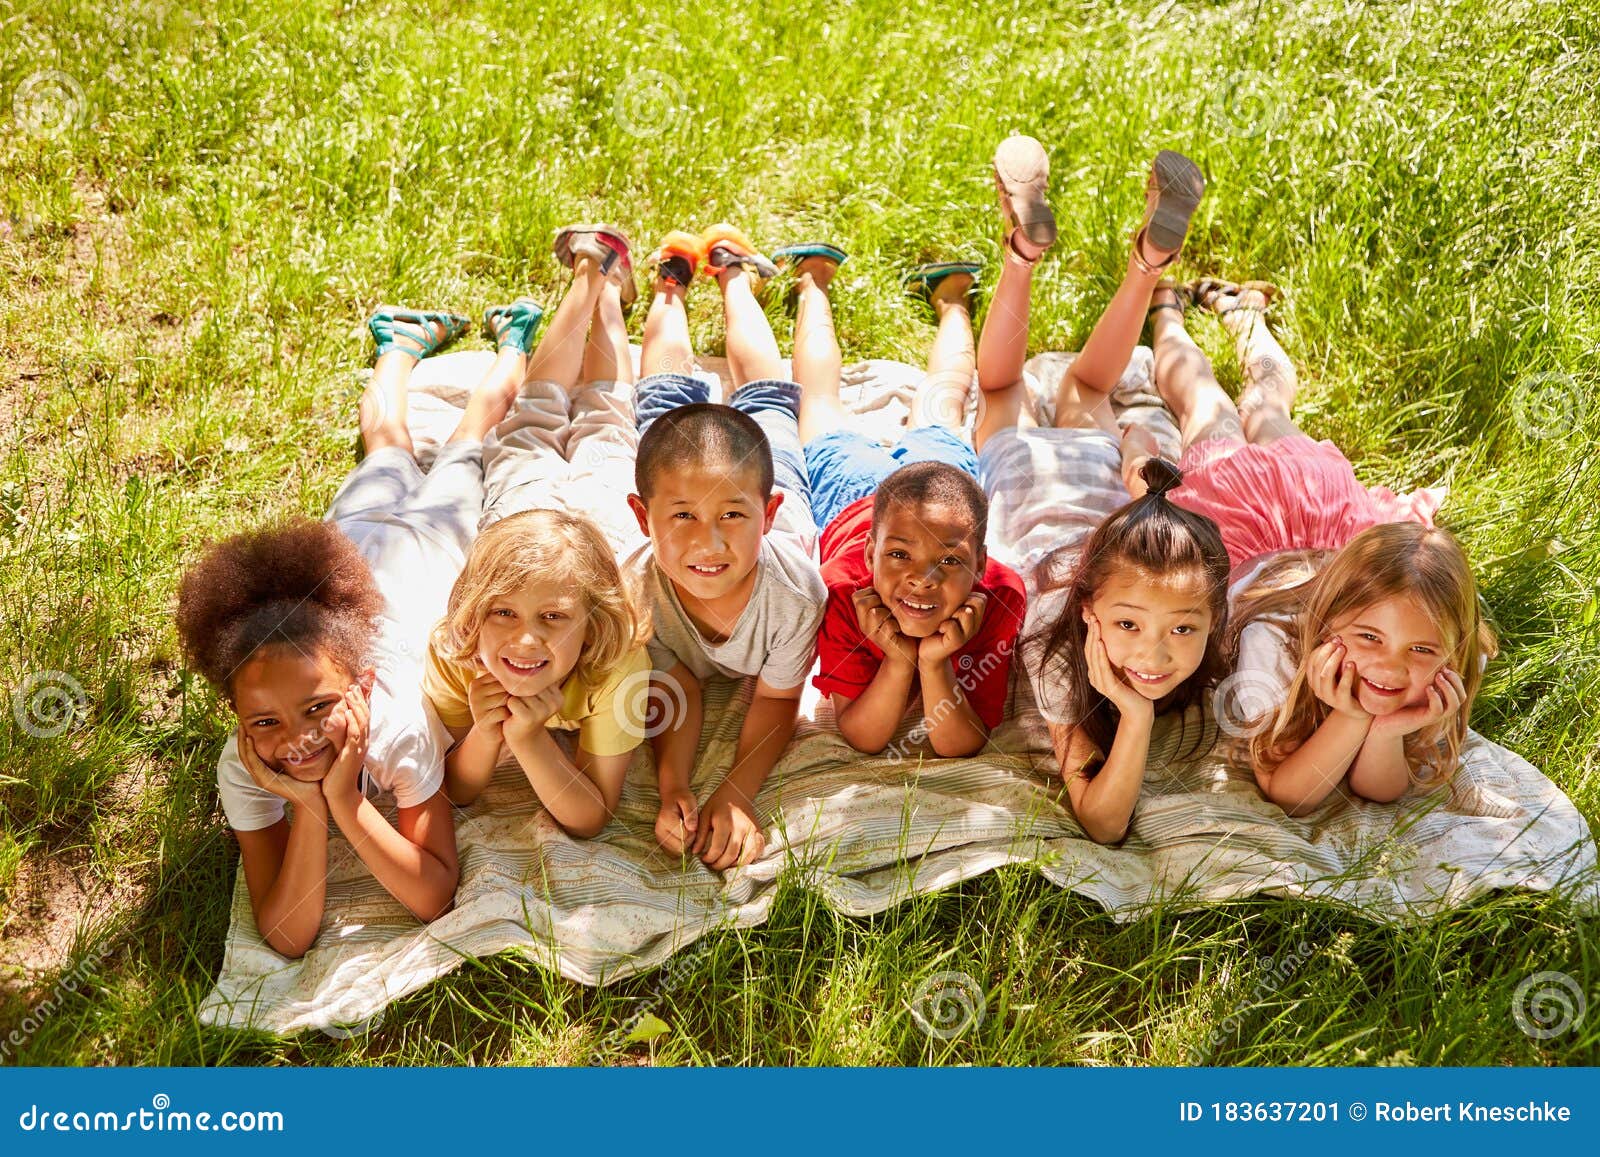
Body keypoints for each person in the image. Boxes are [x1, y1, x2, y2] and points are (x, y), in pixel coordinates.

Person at [172, 301, 530, 956]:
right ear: (235, 715)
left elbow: (434, 892)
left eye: (317, 706)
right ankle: (400, 342)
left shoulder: (396, 728)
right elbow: (285, 935)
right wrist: (313, 807)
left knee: (468, 442)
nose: (298, 739)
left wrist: (348, 800)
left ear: (362, 684)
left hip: (431, 545)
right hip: (354, 546)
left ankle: (514, 343)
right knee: (388, 445)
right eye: (264, 722)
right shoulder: (246, 767)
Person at [1149, 280, 1494, 812]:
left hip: (1324, 532)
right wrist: (1354, 716)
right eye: (1370, 637)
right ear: (1331, 617)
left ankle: (1243, 314)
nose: (1391, 668)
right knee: (1212, 405)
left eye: (1421, 650)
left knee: (1268, 408)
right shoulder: (1276, 641)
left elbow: (1377, 789)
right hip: (1243, 515)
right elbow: (1286, 791)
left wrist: (1376, 726)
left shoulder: (1446, 657)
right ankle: (1166, 309)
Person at [973, 135, 1227, 842]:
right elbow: (1105, 823)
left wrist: (1136, 449)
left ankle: (1034, 255)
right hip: (1030, 472)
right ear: (1087, 609)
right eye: (1129, 626)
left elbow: (1103, 822)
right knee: (1027, 388)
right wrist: (1137, 715)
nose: (1151, 655)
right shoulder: (1062, 652)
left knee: (1040, 385)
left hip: (1081, 466)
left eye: (1182, 630)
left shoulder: (1086, 622)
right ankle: (1144, 262)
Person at [626, 225, 833, 870]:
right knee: (661, 394)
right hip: (696, 456)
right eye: (681, 516)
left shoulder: (797, 596)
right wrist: (675, 788)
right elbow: (676, 678)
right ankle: (671, 283)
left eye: (733, 518)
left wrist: (737, 792)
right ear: (643, 517)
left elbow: (777, 699)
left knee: (769, 397)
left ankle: (734, 274)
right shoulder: (637, 589)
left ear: (766, 516)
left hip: (755, 459)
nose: (707, 543)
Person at [800, 251, 1027, 758]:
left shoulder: (1002, 594)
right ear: (867, 556)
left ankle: (953, 299)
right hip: (855, 495)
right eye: (899, 556)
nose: (923, 580)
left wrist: (930, 662)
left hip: (942, 492)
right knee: (817, 405)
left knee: (947, 397)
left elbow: (960, 742)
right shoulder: (842, 588)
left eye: (949, 561)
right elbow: (862, 735)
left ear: (982, 564)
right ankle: (813, 282)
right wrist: (898, 660)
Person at [422, 508, 652, 834]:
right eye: (503, 612)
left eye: (553, 616)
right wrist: (485, 733)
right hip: (513, 502)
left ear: (592, 627)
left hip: (603, 515)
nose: (527, 640)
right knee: (508, 458)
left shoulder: (618, 664)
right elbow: (455, 790)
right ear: (474, 615)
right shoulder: (453, 654)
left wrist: (529, 740)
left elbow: (590, 818)